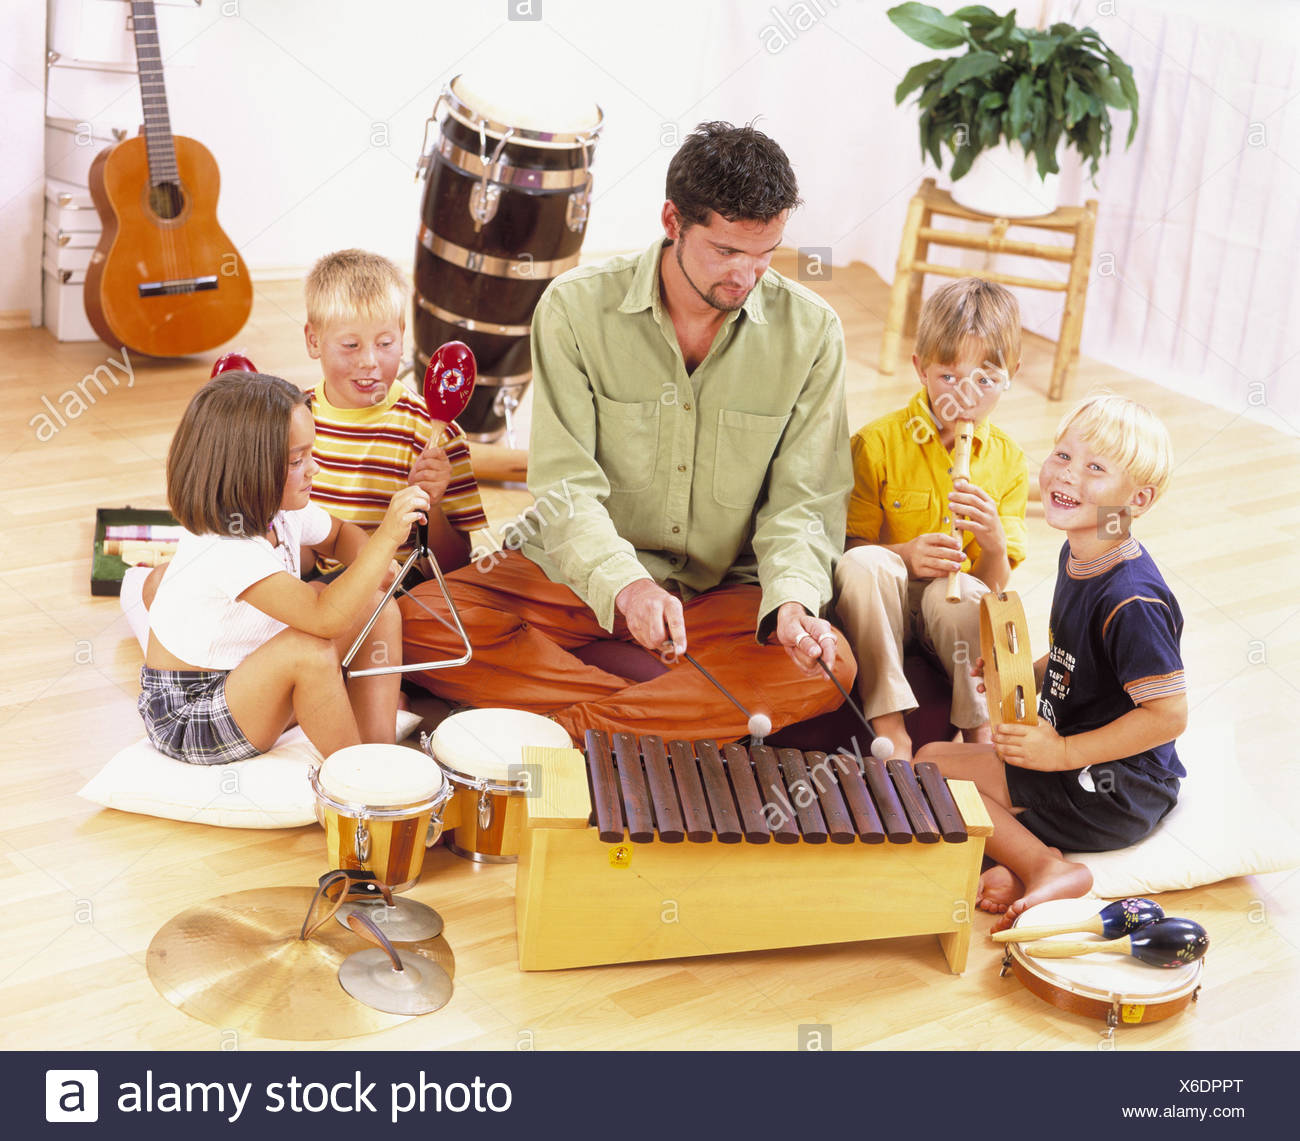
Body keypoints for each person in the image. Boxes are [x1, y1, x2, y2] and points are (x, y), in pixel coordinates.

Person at [400, 121, 855, 742]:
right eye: (726, 252)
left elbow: (805, 505)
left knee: (829, 672)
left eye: (766, 254)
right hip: (577, 576)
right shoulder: (574, 309)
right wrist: (627, 587)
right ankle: (665, 720)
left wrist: (796, 607)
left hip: (722, 592)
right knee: (416, 621)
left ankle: (573, 732)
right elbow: (565, 491)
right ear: (673, 221)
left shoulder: (813, 333)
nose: (747, 278)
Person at [916, 394, 1187, 927]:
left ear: (1138, 499)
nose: (1068, 475)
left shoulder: (1132, 602)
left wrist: (1060, 752)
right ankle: (1014, 861)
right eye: (1063, 456)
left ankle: (1045, 866)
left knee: (934, 768)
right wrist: (1025, 672)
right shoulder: (1080, 550)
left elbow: (1169, 716)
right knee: (932, 757)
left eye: (1095, 467)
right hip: (1077, 760)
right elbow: (1079, 654)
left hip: (1117, 788)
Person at [138, 371, 430, 764]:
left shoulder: (279, 512)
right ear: (248, 469)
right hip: (192, 713)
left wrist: (371, 566)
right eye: (297, 460)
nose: (314, 469)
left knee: (378, 607)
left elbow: (340, 534)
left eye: (311, 453)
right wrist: (386, 539)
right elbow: (323, 620)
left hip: (244, 676)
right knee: (309, 651)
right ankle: (361, 778)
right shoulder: (227, 547)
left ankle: (380, 750)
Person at [835, 278, 1028, 760]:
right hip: (886, 601)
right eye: (948, 377)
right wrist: (904, 554)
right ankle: (890, 723)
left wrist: (994, 542)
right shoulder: (875, 444)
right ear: (920, 369)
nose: (964, 397)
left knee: (968, 601)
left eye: (984, 380)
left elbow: (993, 587)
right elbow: (847, 549)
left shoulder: (1009, 461)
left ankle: (979, 738)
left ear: (1011, 377)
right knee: (865, 565)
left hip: (948, 609)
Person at [303, 248, 486, 575]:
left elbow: (455, 565)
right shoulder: (292, 422)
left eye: (385, 343)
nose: (369, 361)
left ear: (403, 338)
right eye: (351, 345)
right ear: (314, 340)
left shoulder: (436, 436)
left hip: (398, 589)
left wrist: (434, 503)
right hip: (314, 584)